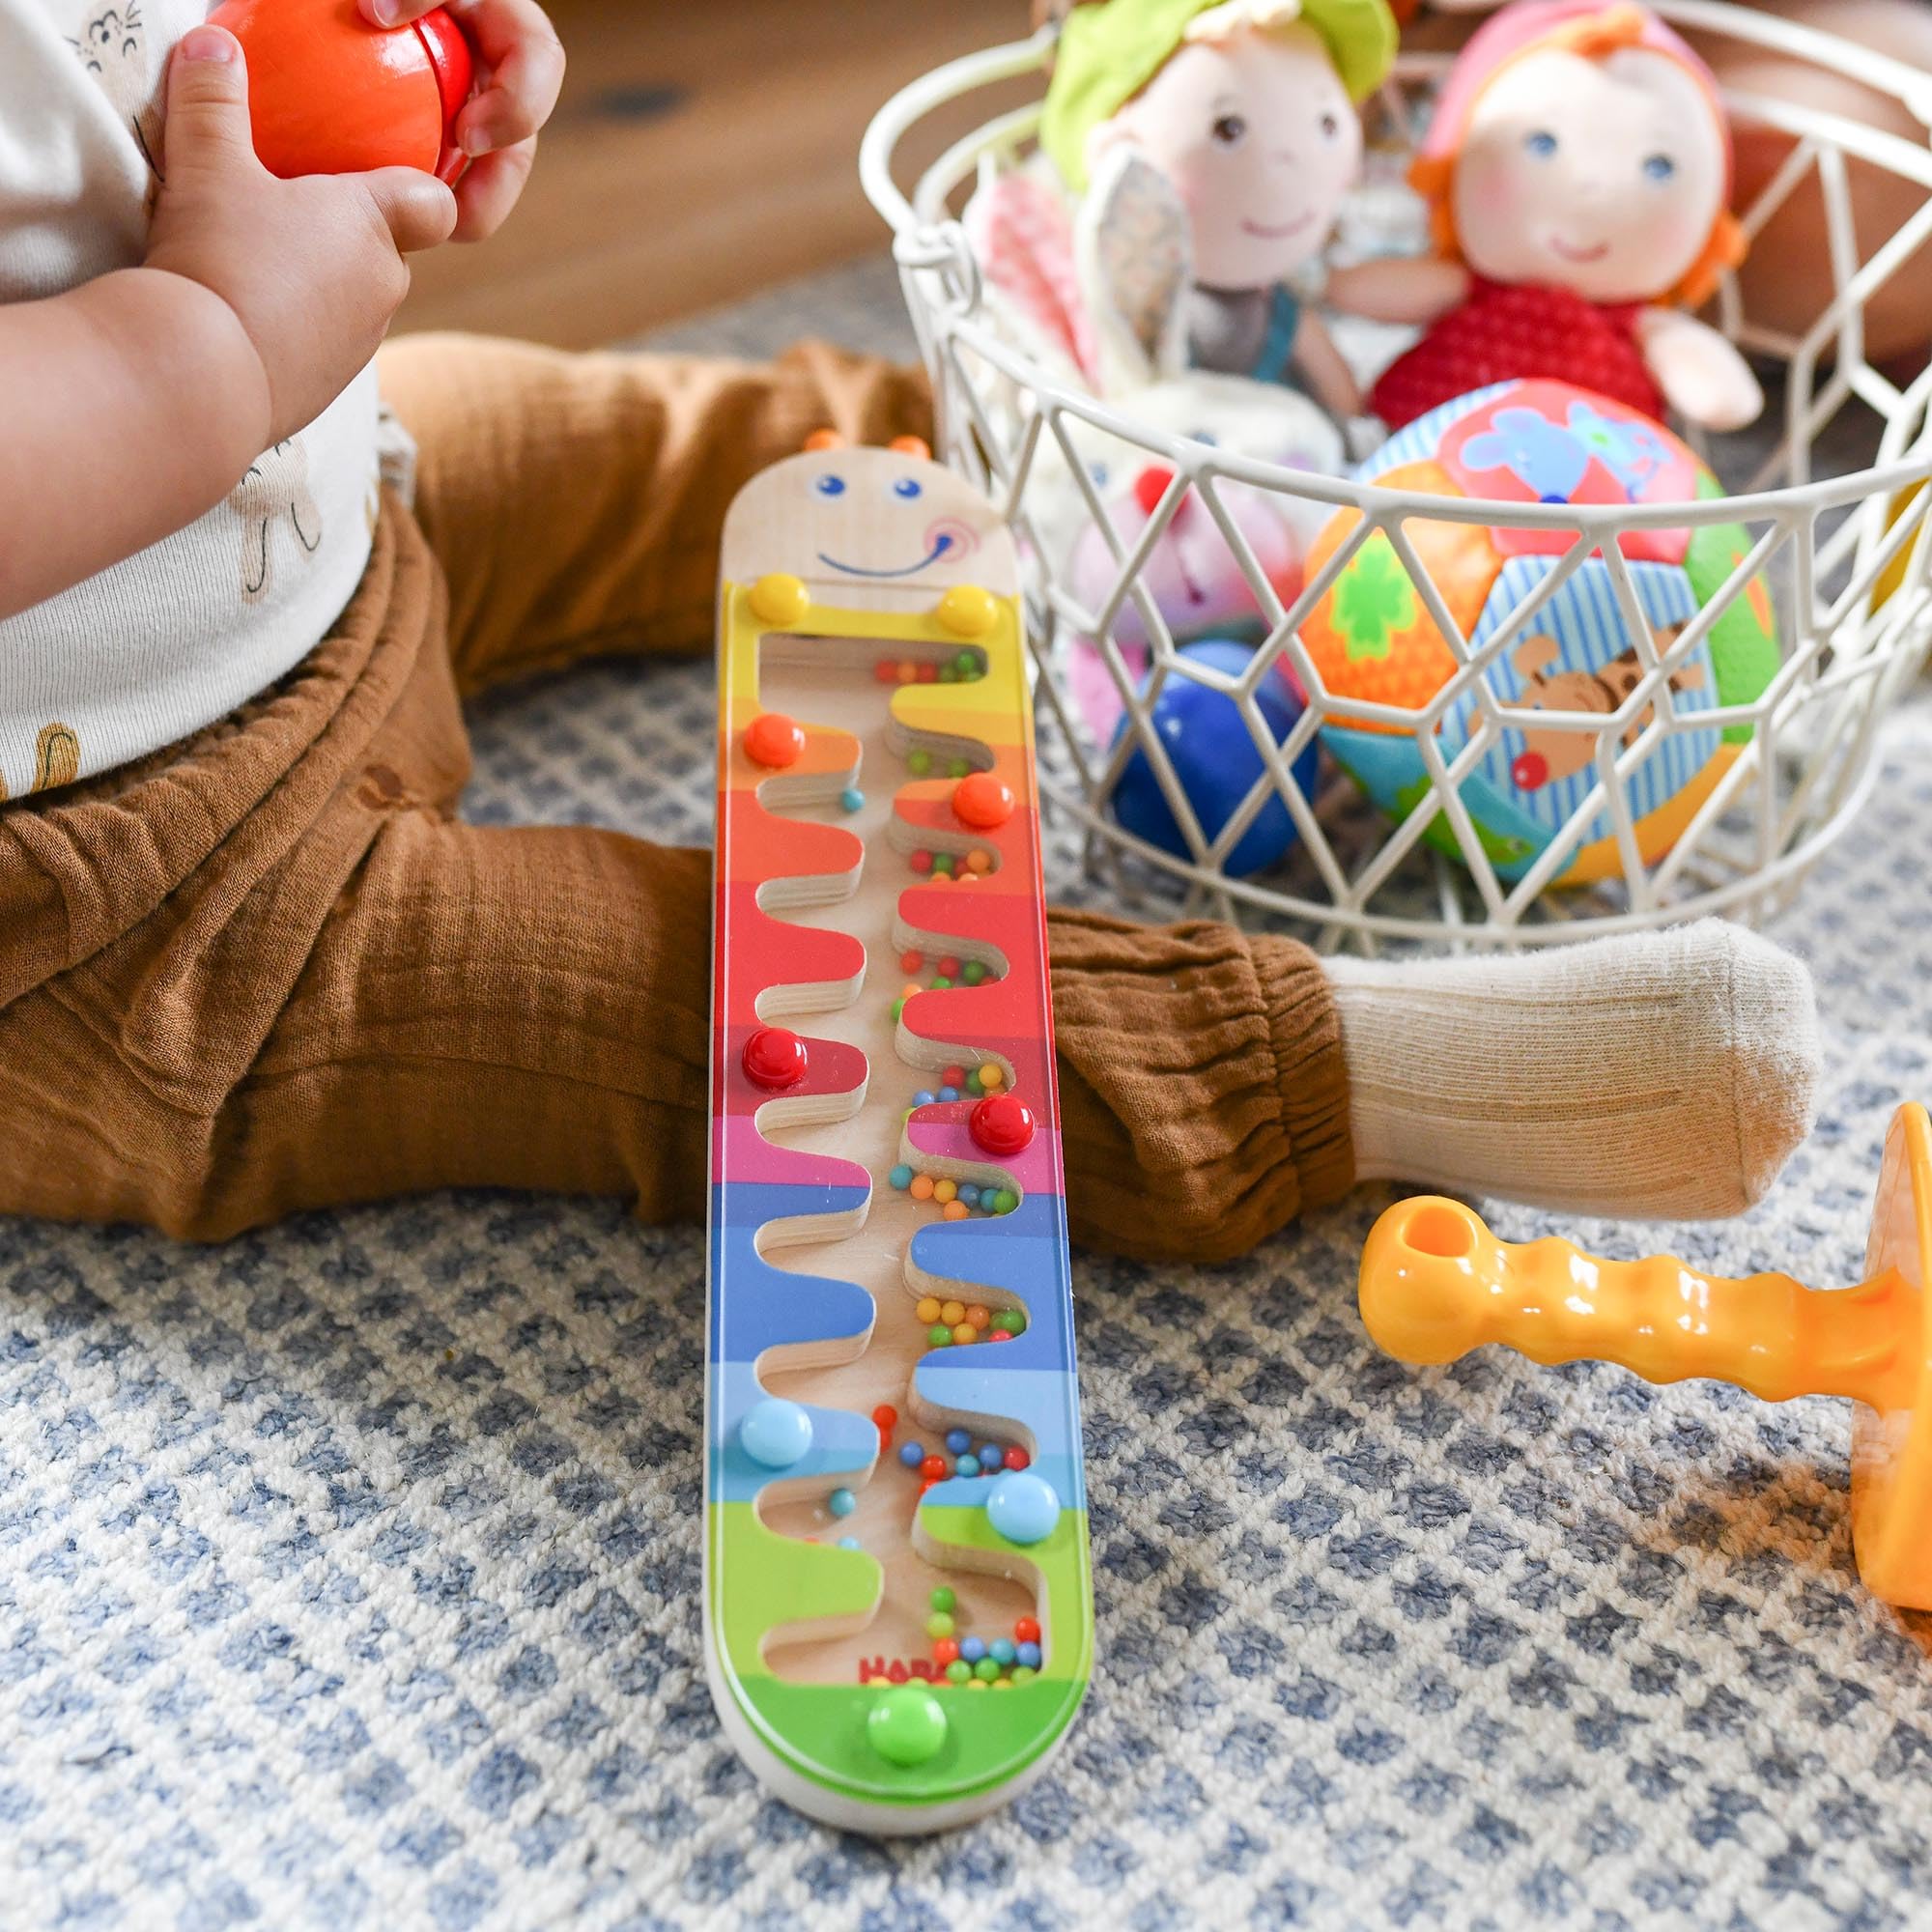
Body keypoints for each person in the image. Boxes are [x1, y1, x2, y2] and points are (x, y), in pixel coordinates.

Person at [0, 0, 1817, 1265]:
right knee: (686, 1006)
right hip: (123, 891)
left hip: (332, 489)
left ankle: (1131, 478)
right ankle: (1345, 1058)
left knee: (645, 434)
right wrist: (221, 342)